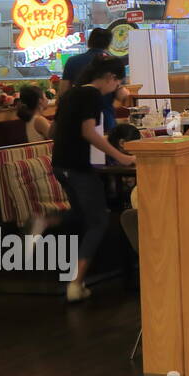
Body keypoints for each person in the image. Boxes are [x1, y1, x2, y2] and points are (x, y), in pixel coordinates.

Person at [52, 58, 134, 302]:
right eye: (118, 81)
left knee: (81, 215)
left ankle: (46, 220)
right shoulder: (92, 97)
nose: (117, 86)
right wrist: (120, 156)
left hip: (59, 164)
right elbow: (88, 132)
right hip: (77, 166)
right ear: (110, 77)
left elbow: (52, 131)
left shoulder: (70, 94)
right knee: (99, 220)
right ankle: (75, 283)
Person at [60, 28, 127, 132]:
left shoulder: (72, 61)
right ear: (109, 44)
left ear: (89, 42)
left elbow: (63, 93)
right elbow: (121, 95)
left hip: (77, 120)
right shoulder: (113, 64)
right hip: (106, 119)